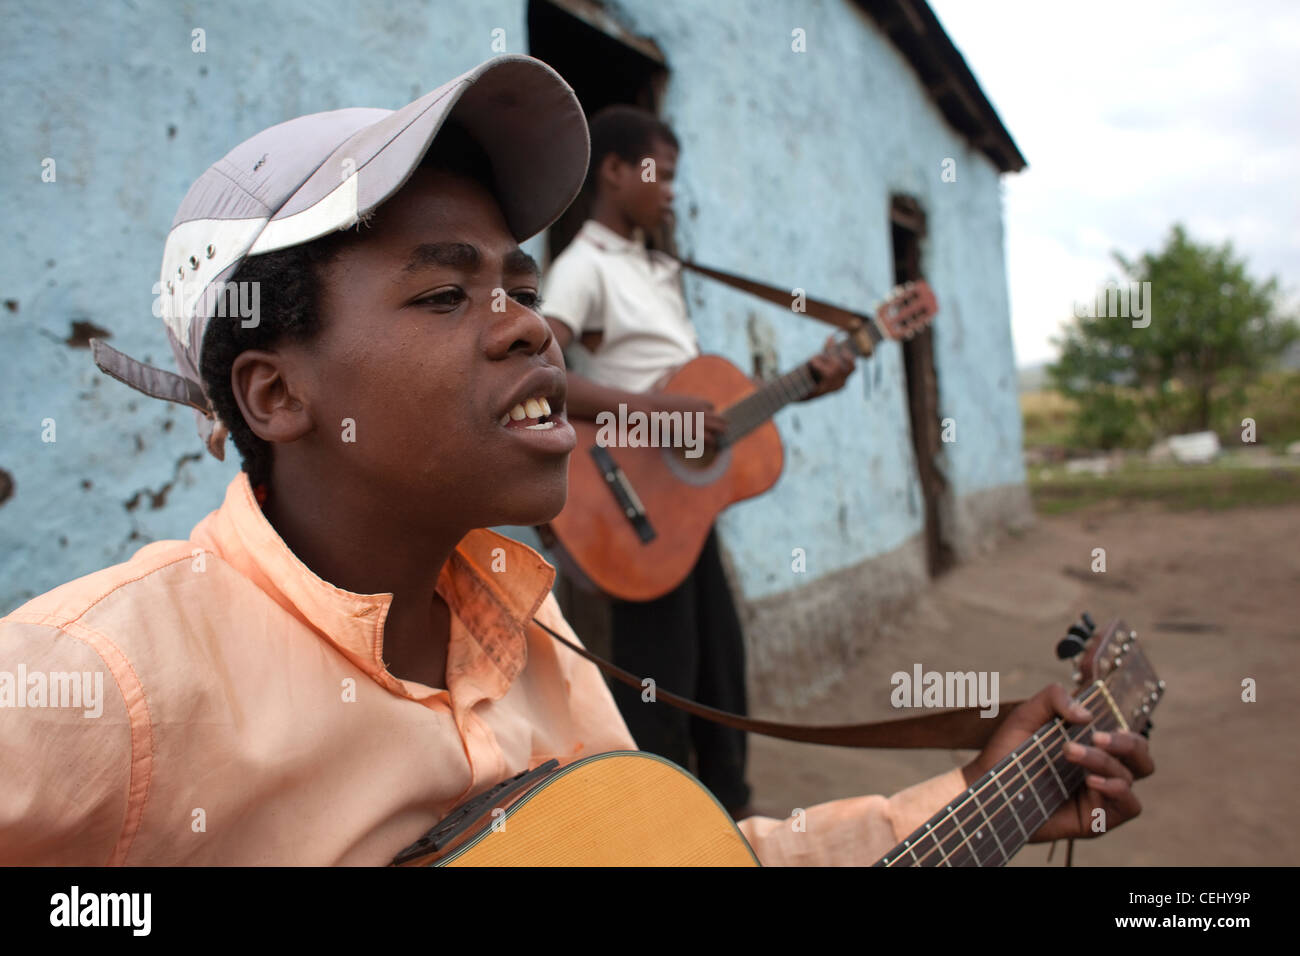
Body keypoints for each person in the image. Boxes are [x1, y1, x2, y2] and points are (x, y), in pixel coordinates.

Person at [0, 56, 1152, 866]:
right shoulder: (102, 686)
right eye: (449, 292)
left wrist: (972, 798)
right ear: (276, 391)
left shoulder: (536, 640)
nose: (526, 326)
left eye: (520, 288)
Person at [539, 106, 857, 817]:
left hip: (682, 504)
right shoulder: (582, 267)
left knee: (722, 677)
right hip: (628, 502)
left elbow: (705, 410)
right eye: (661, 174)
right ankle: (659, 832)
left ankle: (732, 823)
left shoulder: (657, 268)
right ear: (614, 172)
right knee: (662, 685)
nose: (672, 191)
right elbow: (544, 376)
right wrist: (657, 414)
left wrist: (806, 385)